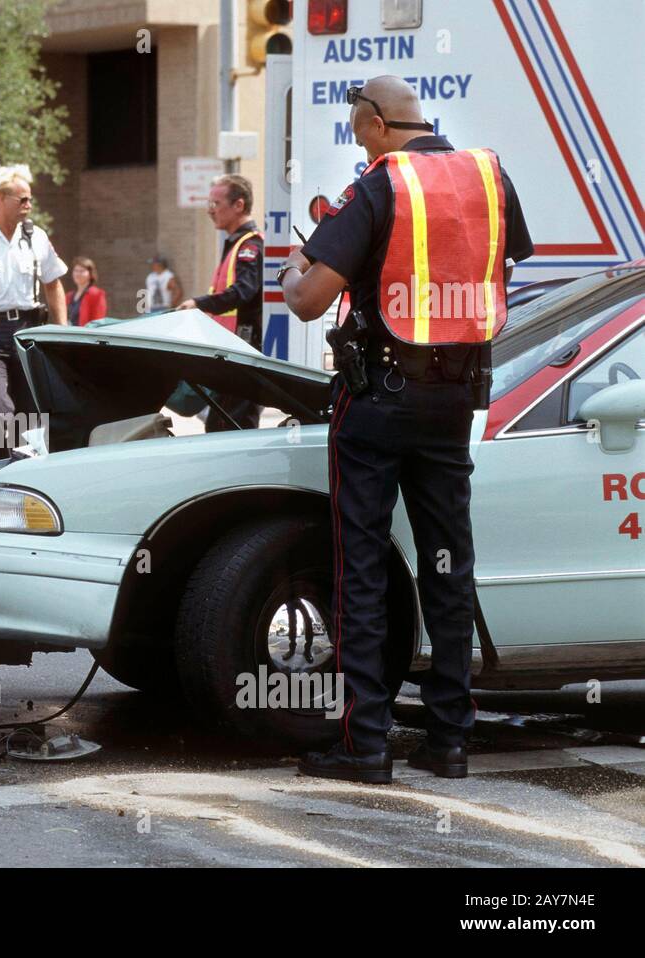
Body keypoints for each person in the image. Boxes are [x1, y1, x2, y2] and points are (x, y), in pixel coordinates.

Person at [281, 75, 533, 783]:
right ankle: (450, 739)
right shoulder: (488, 176)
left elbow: (306, 301)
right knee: (448, 564)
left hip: (379, 400)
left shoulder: (382, 185)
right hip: (455, 401)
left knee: (360, 566)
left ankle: (364, 745)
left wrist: (298, 261)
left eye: (359, 131)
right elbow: (501, 260)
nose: (358, 143)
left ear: (377, 121)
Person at [0, 165, 67, 462]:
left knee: (31, 418)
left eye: (29, 199)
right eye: (22, 200)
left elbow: (53, 284)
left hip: (29, 331)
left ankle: (24, 489)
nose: (29, 206)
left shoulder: (37, 237)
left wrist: (61, 333)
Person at [178, 174, 264, 429]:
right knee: (219, 426)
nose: (209, 210)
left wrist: (199, 303)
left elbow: (243, 292)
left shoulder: (251, 246)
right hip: (231, 353)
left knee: (232, 428)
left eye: (215, 203)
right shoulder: (237, 243)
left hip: (244, 354)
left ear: (238, 205)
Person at [66, 257, 107, 326]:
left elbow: (98, 322)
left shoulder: (97, 294)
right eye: (76, 270)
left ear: (90, 274)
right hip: (69, 334)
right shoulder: (69, 295)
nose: (78, 274)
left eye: (82, 271)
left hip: (85, 335)